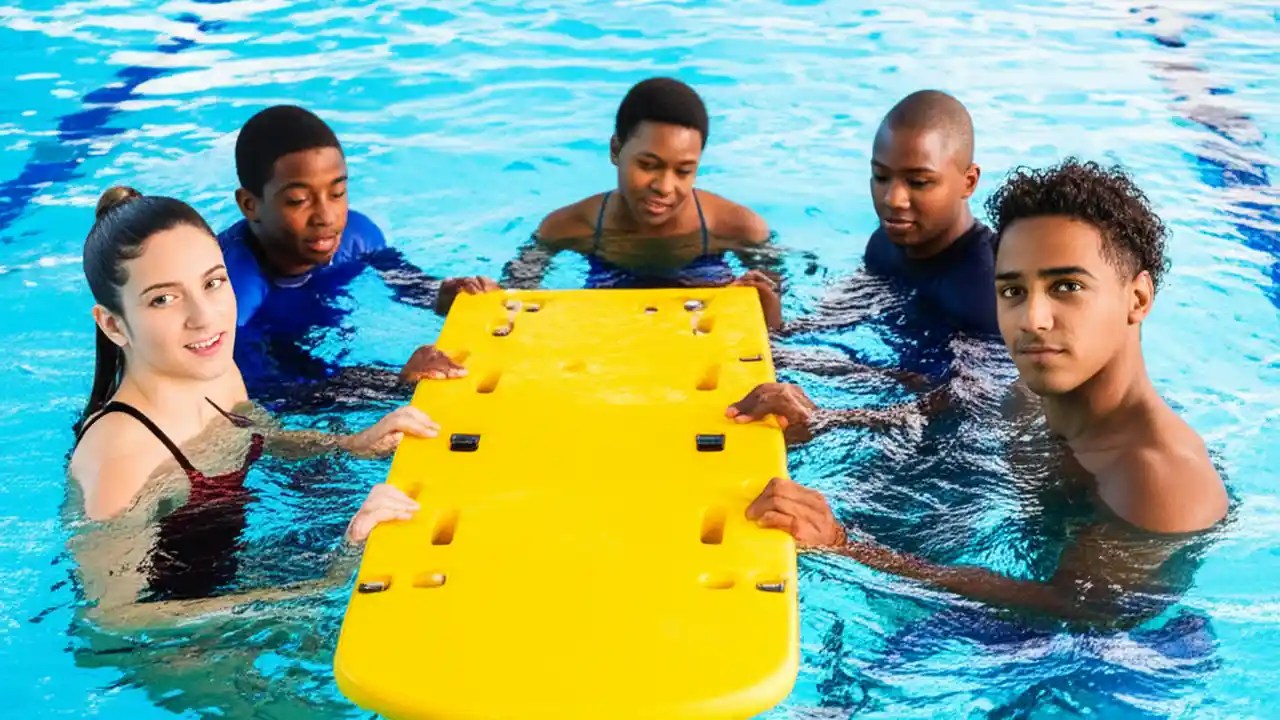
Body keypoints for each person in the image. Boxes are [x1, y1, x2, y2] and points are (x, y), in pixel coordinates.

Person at [739, 160, 1229, 625]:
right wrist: (825, 421)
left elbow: (1075, 612)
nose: (1033, 321)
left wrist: (845, 546)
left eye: (1067, 287)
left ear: (1137, 298)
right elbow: (948, 410)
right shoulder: (1032, 392)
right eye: (1013, 291)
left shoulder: (1160, 478)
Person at [68, 187, 427, 629]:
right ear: (113, 324)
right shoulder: (122, 456)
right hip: (178, 649)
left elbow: (260, 435)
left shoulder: (216, 372)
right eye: (164, 298)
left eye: (213, 282)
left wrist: (353, 444)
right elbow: (113, 618)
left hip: (234, 585)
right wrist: (327, 583)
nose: (204, 317)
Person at [220, 105, 483, 397]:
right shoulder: (231, 295)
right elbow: (267, 395)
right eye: (298, 200)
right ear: (249, 205)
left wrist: (442, 296)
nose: (326, 217)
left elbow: (407, 282)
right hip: (274, 351)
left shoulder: (356, 237)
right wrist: (394, 385)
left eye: (337, 193)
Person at [498, 77, 782, 324]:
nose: (664, 187)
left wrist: (765, 307)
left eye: (683, 171)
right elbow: (511, 306)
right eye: (648, 165)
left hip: (705, 306)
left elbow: (786, 328)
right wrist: (476, 298)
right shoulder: (568, 227)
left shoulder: (738, 228)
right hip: (608, 310)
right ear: (615, 150)